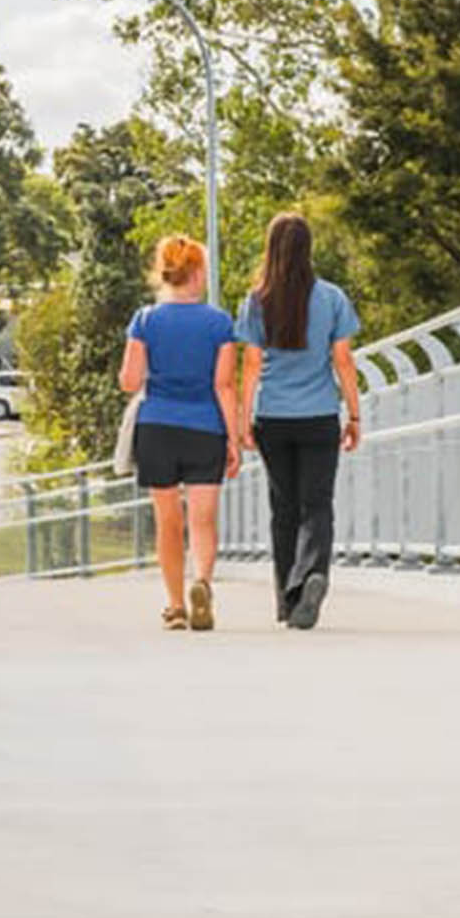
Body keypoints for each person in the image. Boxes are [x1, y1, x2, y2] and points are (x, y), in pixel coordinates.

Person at [234, 211, 362, 630]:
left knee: (284, 508)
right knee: (317, 504)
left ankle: (288, 601)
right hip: (319, 416)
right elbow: (343, 360)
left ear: (271, 249)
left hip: (273, 417)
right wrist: (354, 414)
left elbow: (251, 364)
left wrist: (243, 420)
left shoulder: (256, 301)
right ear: (309, 249)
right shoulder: (332, 298)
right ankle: (312, 576)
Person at [120, 235, 244, 631]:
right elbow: (225, 386)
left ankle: (175, 606)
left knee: (168, 521)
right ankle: (202, 583)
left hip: (157, 427)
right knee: (203, 520)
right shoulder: (219, 323)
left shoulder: (145, 320)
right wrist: (234, 438)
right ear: (197, 273)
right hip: (205, 427)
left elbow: (129, 381)